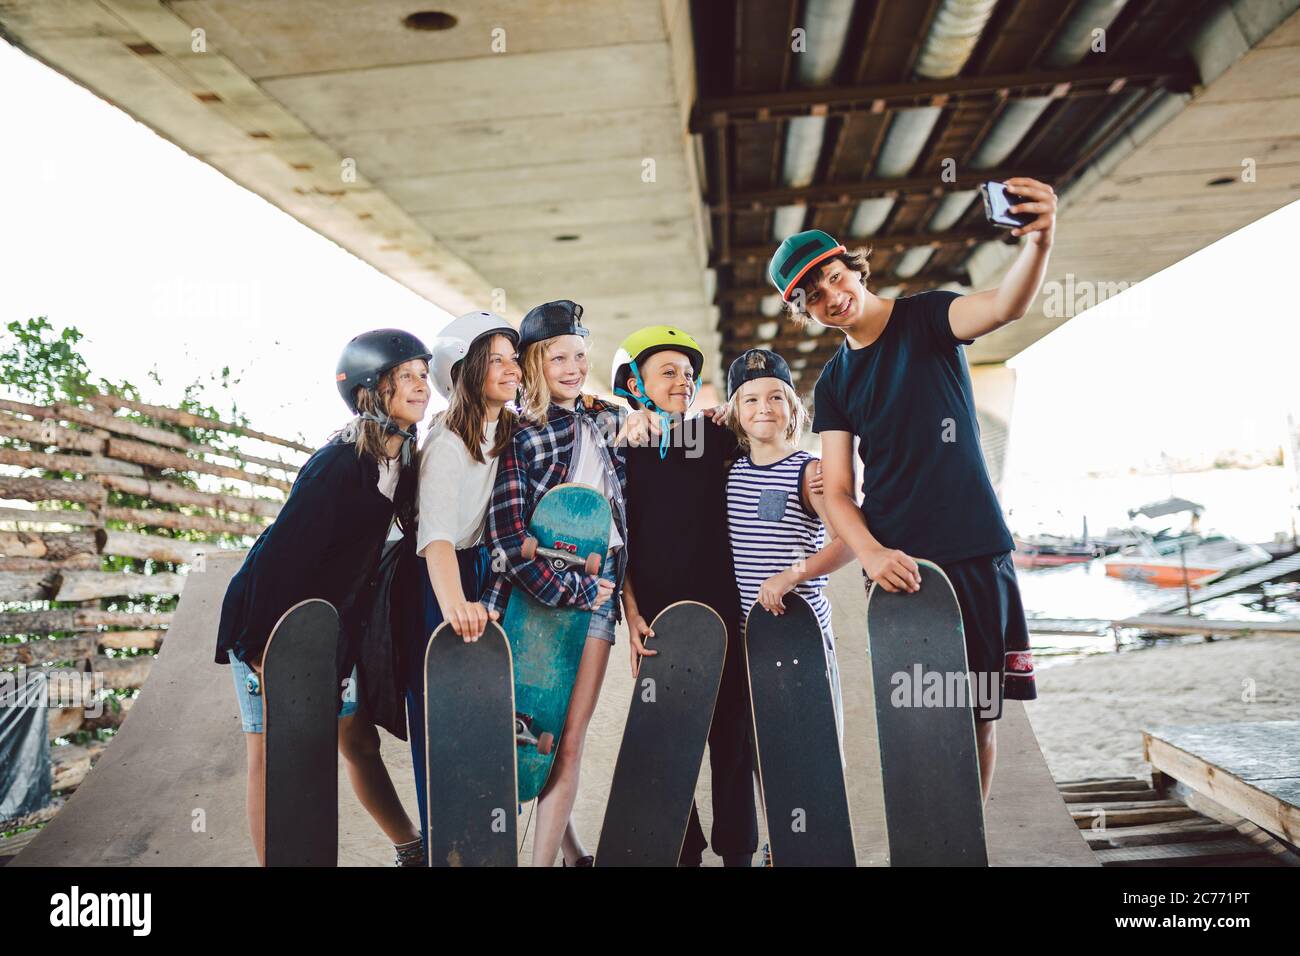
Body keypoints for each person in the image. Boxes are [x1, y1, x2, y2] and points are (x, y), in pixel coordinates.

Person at [770, 177, 1057, 801]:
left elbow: (1005, 305)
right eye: (813, 297)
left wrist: (1038, 242)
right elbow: (839, 492)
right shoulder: (834, 384)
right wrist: (870, 554)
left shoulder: (927, 318)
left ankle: (966, 846)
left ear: (854, 268)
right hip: (901, 564)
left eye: (835, 279)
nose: (832, 297)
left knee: (979, 716)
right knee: (923, 720)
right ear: (805, 311)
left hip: (975, 548)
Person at [216, 328, 431, 866]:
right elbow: (277, 560)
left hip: (332, 630)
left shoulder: (401, 458)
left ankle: (410, 848)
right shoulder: (337, 465)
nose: (421, 385)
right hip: (270, 626)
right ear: (370, 391)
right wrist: (269, 653)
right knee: (271, 756)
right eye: (405, 376)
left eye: (424, 375)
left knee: (357, 742)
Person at [483, 299, 623, 868]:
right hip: (538, 599)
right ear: (535, 363)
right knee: (529, 735)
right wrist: (581, 592)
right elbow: (509, 543)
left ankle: (563, 855)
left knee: (570, 736)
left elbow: (654, 423)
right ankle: (557, 856)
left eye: (581, 357)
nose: (573, 367)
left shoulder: (601, 418)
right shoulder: (521, 436)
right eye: (558, 357)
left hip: (605, 579)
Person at [613, 325, 758, 866]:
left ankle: (739, 852)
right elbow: (616, 540)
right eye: (668, 371)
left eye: (689, 373)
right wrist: (631, 613)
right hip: (658, 617)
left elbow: (772, 424)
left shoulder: (714, 434)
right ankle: (686, 850)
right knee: (671, 738)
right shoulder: (623, 446)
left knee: (731, 739)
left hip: (724, 610)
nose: (684, 381)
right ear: (634, 384)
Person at [404, 312, 521, 857]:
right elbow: (437, 539)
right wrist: (455, 606)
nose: (510, 368)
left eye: (512, 358)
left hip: (479, 570)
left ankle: (484, 843)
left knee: (486, 722)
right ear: (466, 371)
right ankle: (442, 847)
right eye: (494, 359)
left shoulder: (507, 425)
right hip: (436, 580)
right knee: (442, 720)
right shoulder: (447, 442)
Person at [721, 347, 855, 745]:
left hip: (801, 635)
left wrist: (792, 575)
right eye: (751, 399)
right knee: (769, 762)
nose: (764, 407)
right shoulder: (729, 472)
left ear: (793, 408)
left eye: (776, 397)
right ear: (736, 412)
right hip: (747, 640)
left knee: (814, 755)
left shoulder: (810, 471)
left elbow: (848, 542)